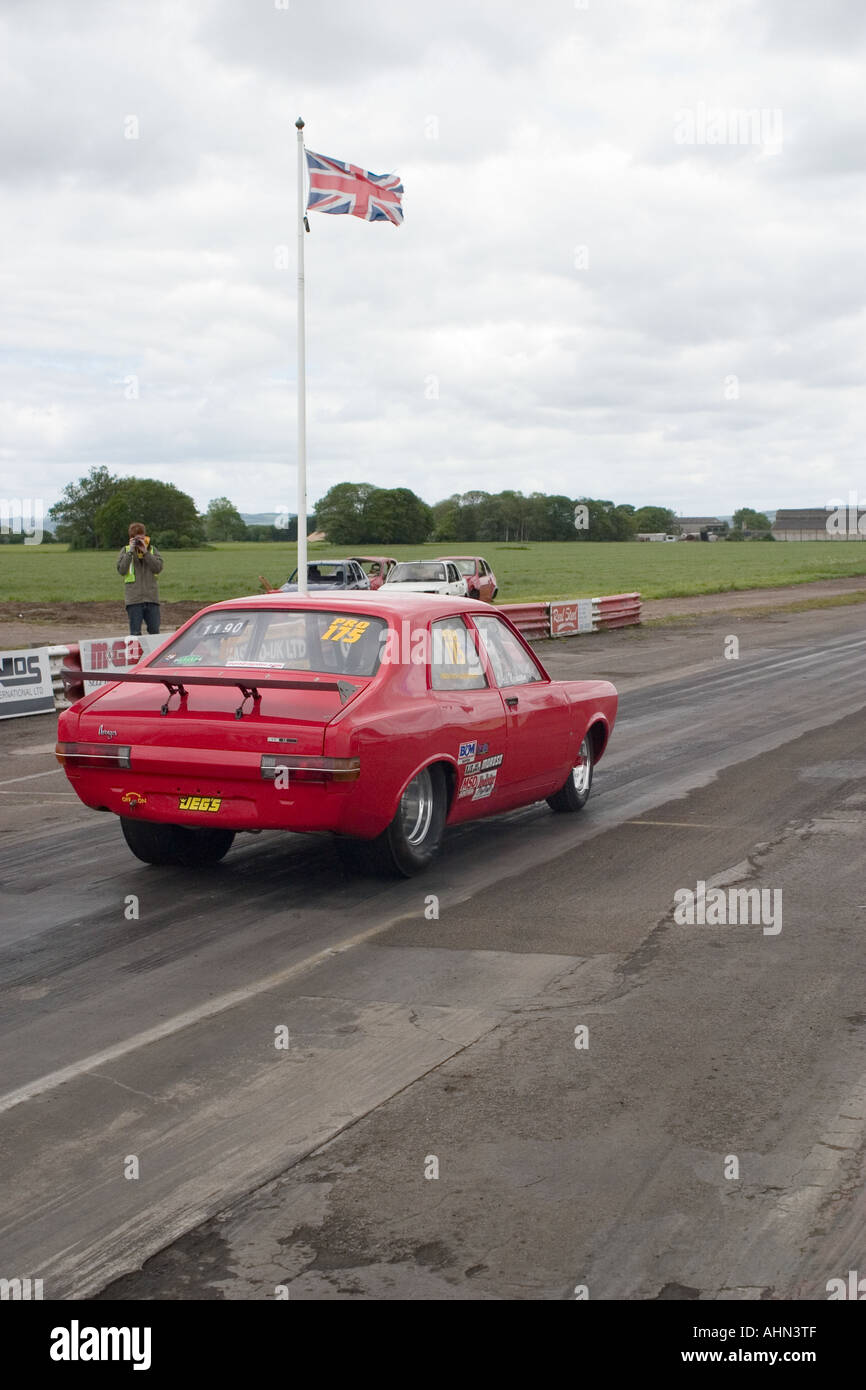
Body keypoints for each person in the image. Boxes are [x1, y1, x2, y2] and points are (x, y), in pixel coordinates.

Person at [117, 522, 164, 634]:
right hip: (134, 599)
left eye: (141, 537)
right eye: (136, 538)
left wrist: (146, 552)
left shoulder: (152, 550)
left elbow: (158, 568)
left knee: (154, 631)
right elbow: (121, 570)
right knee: (135, 633)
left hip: (151, 598)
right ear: (131, 538)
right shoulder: (126, 550)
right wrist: (130, 552)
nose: (139, 541)